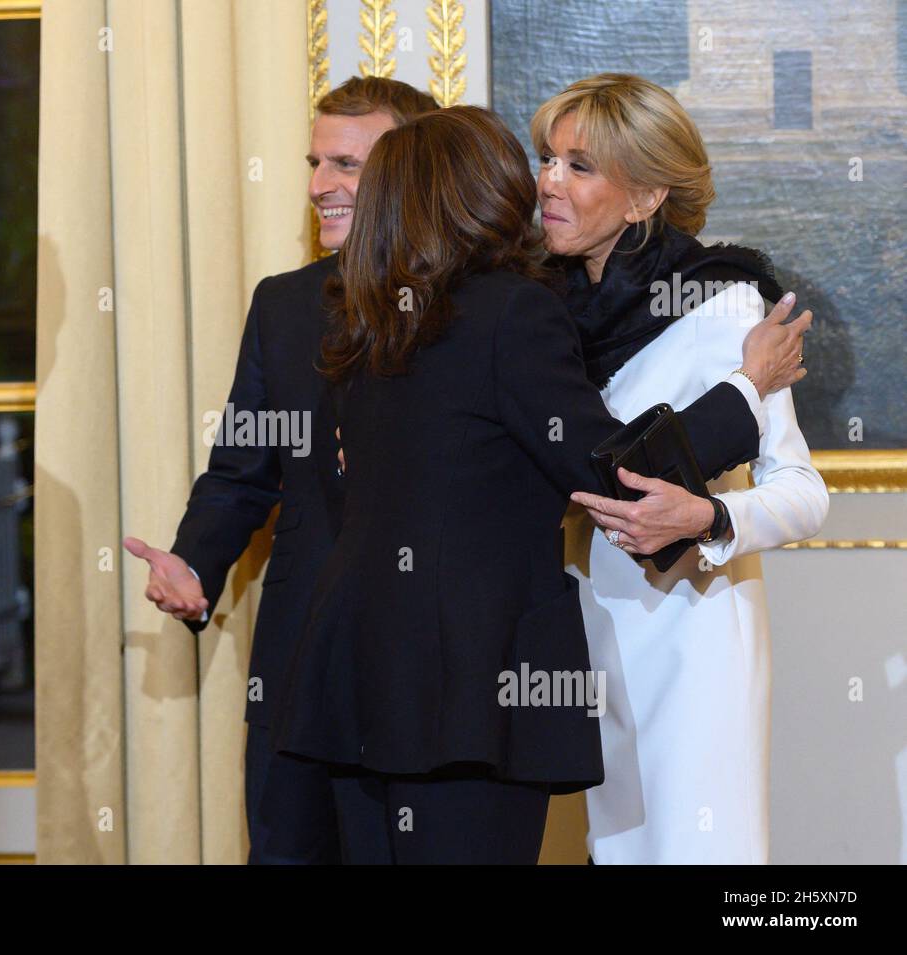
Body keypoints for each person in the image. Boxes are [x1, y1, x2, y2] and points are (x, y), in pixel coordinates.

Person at [270, 106, 810, 864]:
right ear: (473, 189)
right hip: (465, 687)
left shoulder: (374, 316)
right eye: (528, 161)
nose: (537, 182)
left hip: (357, 679)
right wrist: (747, 388)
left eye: (569, 164)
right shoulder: (512, 309)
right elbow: (613, 479)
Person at [122, 77, 439, 863]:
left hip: (426, 668)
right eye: (313, 162)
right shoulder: (285, 304)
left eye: (345, 165)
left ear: (414, 174)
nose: (317, 186)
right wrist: (195, 559)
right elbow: (241, 470)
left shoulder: (485, 308)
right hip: (295, 673)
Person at [532, 74, 829, 863]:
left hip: (697, 643)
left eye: (579, 165)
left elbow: (803, 493)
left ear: (645, 196)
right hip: (591, 638)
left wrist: (712, 518)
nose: (548, 182)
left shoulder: (721, 308)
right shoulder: (541, 313)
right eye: (546, 159)